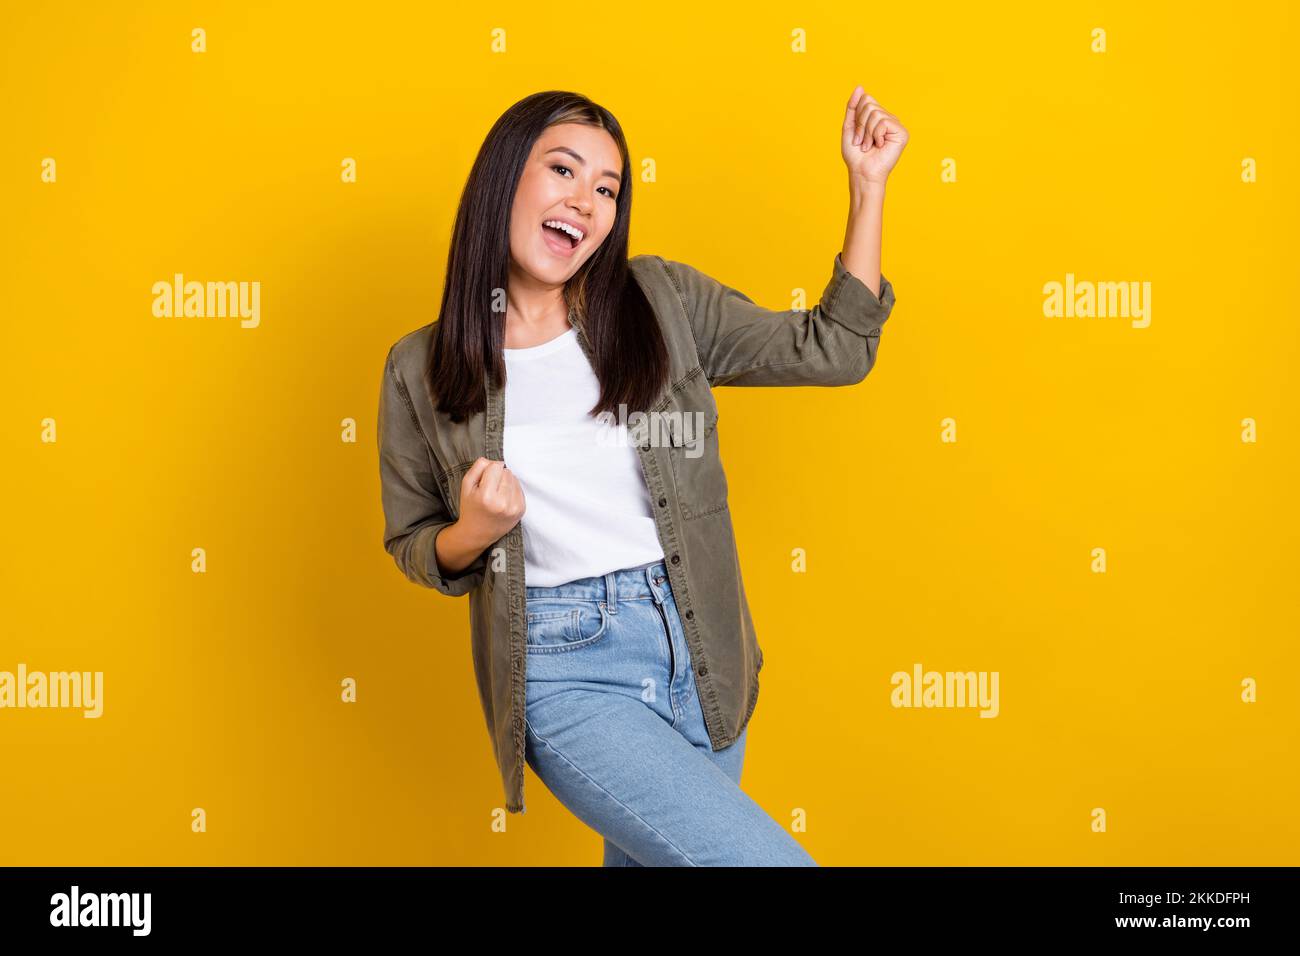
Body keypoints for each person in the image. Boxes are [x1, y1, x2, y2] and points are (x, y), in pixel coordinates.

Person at [377, 87, 905, 865]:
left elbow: (834, 350)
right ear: (503, 180)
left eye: (606, 189)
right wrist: (474, 532)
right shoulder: (420, 368)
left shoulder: (659, 301)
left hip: (700, 649)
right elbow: (414, 541)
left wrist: (868, 186)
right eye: (563, 170)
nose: (585, 201)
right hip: (568, 668)